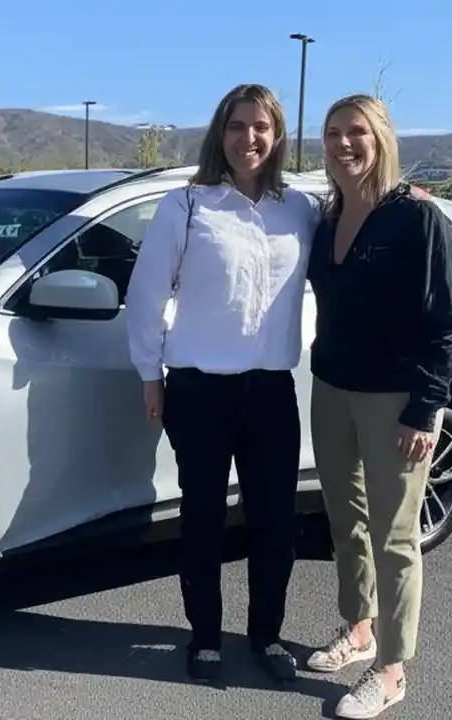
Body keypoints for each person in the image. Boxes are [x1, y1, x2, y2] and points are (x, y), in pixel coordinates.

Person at [124, 83, 321, 684]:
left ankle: (265, 635)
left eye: (261, 126)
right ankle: (205, 637)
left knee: (273, 524)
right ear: (221, 134)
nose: (249, 138)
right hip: (198, 389)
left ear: (278, 135)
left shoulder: (301, 210)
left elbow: (356, 234)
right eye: (238, 127)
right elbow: (146, 293)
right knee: (203, 518)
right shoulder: (187, 206)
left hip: (270, 392)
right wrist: (149, 373)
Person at [302, 94, 452, 719]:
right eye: (333, 134)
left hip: (395, 398)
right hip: (332, 389)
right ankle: (360, 629)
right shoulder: (328, 217)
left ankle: (391, 669)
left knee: (395, 536)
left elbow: (447, 323)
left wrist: (426, 409)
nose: (344, 144)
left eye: (357, 133)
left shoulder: (415, 220)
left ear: (382, 139)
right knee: (346, 520)